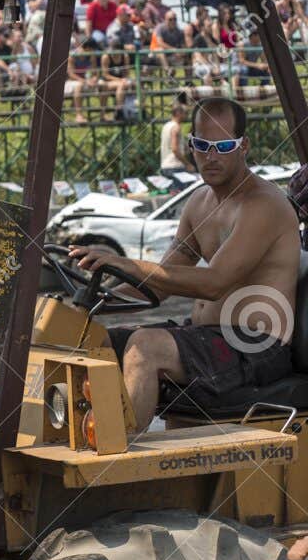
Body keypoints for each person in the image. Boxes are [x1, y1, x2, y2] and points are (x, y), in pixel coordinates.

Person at [73, 97, 302, 429]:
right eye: (201, 145)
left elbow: (214, 283)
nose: (210, 156)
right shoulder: (199, 203)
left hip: (256, 346)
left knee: (145, 348)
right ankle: (85, 438)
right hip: (207, 338)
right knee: (95, 339)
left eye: (223, 145)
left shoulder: (263, 205)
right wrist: (91, 302)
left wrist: (127, 263)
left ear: (244, 146)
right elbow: (157, 286)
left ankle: (119, 465)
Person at [159, 98, 193, 172]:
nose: (187, 116)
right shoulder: (176, 127)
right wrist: (188, 164)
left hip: (165, 165)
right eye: (186, 113)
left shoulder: (166, 126)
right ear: (178, 113)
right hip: (175, 166)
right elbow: (175, 149)